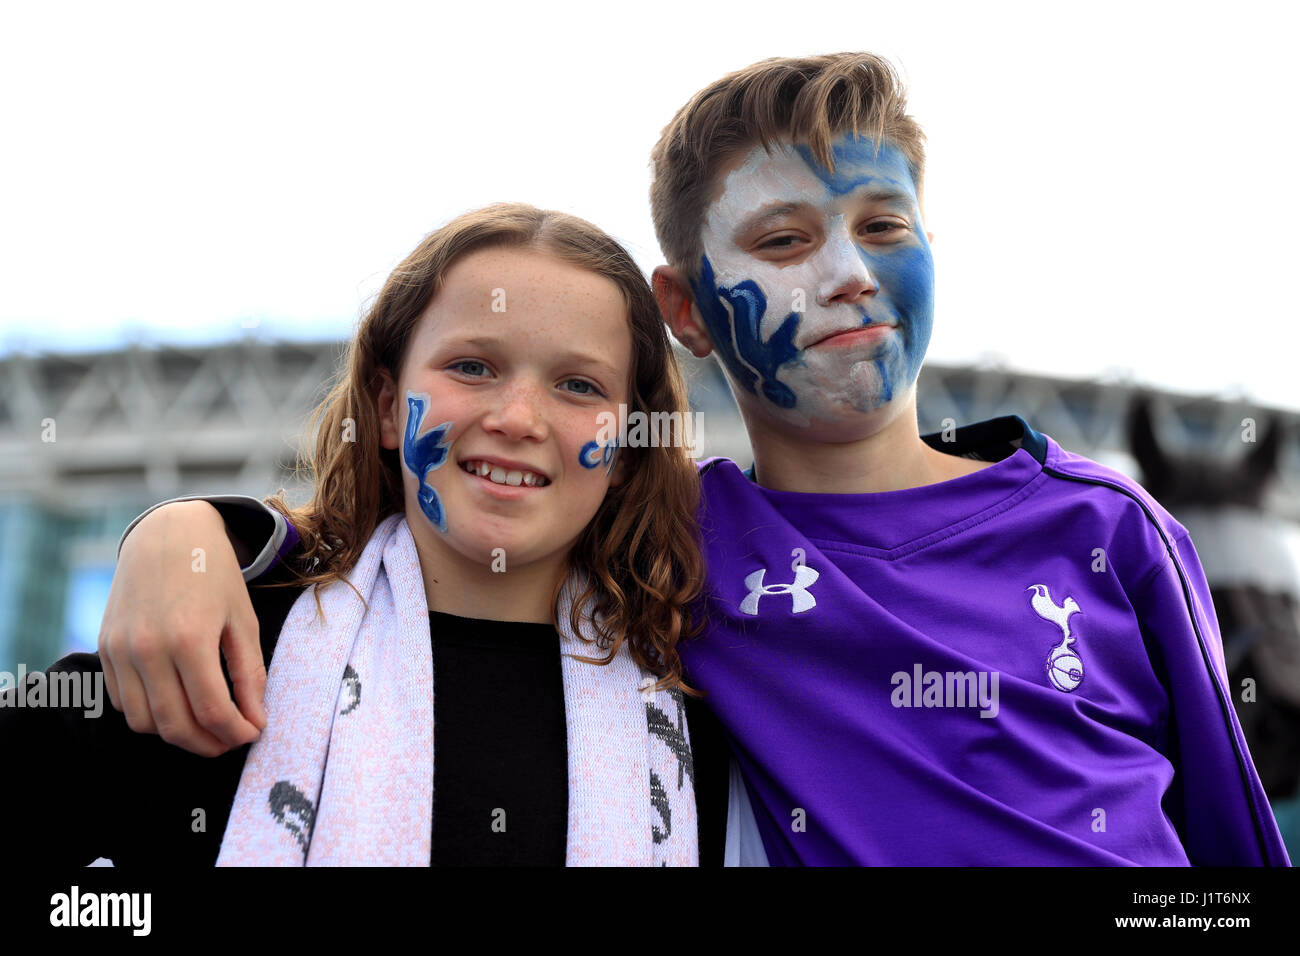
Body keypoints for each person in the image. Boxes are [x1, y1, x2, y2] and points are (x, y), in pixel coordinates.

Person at [98, 54, 1289, 865]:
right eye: (781, 239)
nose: (847, 274)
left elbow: (1232, 859)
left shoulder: (1112, 526)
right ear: (685, 305)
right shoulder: (680, 543)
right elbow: (443, 512)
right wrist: (189, 532)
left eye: (884, 226)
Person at [0, 202, 726, 866]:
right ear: (385, 406)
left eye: (579, 386)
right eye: (472, 367)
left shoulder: (701, 712)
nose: (518, 418)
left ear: (629, 447)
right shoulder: (220, 655)